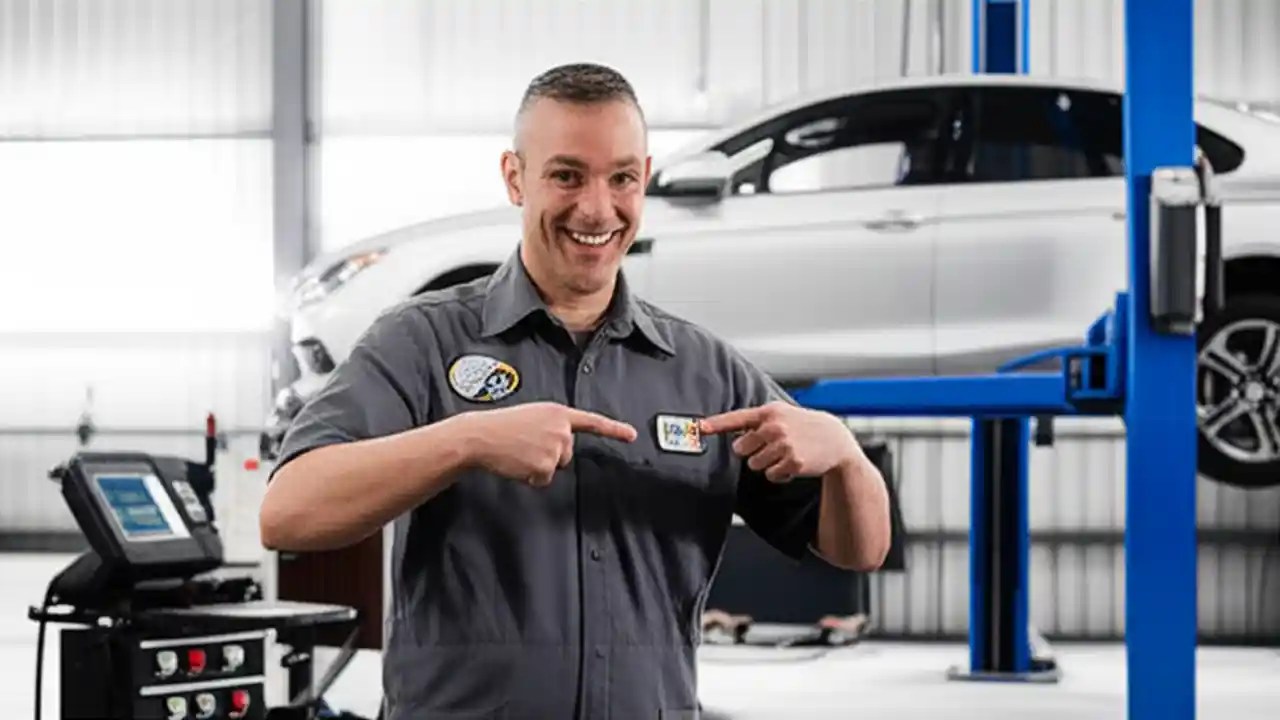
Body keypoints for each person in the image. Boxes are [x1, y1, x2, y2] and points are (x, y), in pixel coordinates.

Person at [260, 62, 891, 720]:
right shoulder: (422, 342)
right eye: (566, 175)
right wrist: (468, 440)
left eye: (621, 178)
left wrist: (845, 456)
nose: (597, 208)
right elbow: (288, 513)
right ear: (515, 178)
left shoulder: (703, 370)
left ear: (643, 179)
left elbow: (858, 549)